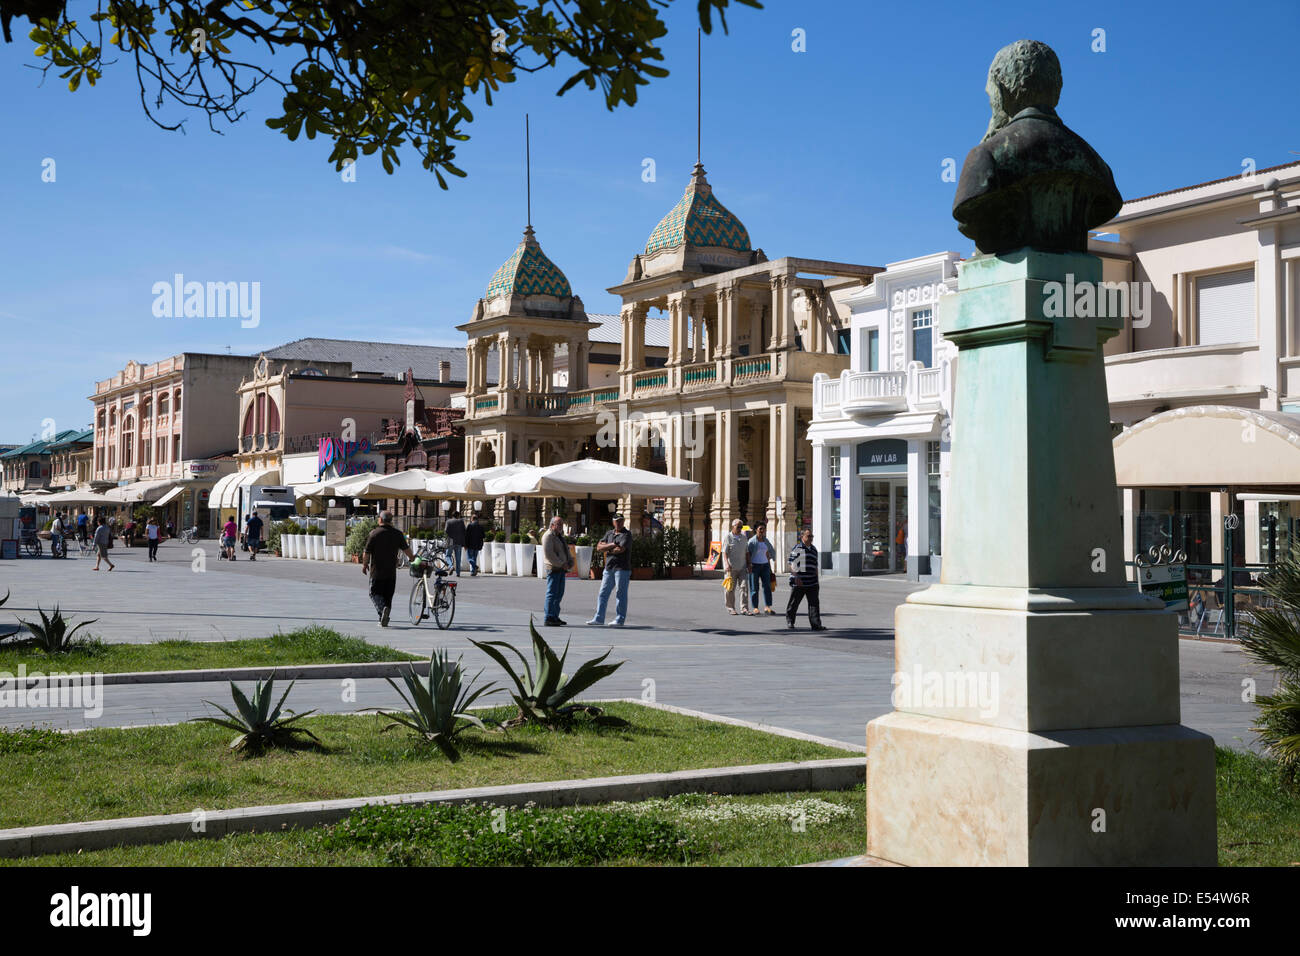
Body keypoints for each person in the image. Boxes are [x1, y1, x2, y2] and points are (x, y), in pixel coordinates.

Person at [362, 510, 414, 627]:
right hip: (391, 572)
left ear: (380, 519)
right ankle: (383, 618)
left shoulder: (374, 533)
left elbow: (367, 552)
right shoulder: (398, 534)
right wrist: (411, 558)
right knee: (388, 595)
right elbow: (407, 549)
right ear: (390, 521)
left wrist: (365, 565)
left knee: (374, 593)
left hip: (377, 571)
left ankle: (382, 611)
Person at [587, 513, 631, 627]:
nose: (619, 523)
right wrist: (612, 545)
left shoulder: (627, 534)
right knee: (603, 593)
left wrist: (607, 549)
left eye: (621, 520)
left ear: (623, 521)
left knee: (620, 594)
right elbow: (598, 547)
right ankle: (599, 618)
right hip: (609, 568)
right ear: (613, 522)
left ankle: (619, 620)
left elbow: (620, 549)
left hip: (622, 569)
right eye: (617, 521)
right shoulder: (609, 533)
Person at [787, 528, 826, 631]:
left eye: (812, 536)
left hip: (812, 582)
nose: (811, 538)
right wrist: (796, 577)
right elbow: (792, 564)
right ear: (802, 537)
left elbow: (815, 566)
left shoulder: (813, 549)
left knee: (814, 604)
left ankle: (816, 624)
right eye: (808, 536)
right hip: (800, 582)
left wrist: (817, 580)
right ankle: (790, 621)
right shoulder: (798, 548)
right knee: (794, 603)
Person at [541, 515, 573, 626]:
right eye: (558, 524)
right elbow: (549, 554)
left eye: (561, 524)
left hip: (561, 569)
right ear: (552, 524)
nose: (561, 526)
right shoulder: (548, 536)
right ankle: (549, 617)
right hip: (554, 568)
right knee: (552, 593)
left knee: (559, 593)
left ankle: (555, 616)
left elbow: (565, 550)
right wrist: (561, 564)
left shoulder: (559, 536)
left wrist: (570, 560)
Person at [722, 518, 751, 616]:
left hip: (742, 567)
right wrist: (726, 564)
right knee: (730, 589)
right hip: (731, 568)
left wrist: (749, 564)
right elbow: (724, 553)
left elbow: (747, 552)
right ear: (733, 526)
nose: (739, 529)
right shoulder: (728, 537)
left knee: (744, 587)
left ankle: (744, 608)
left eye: (741, 527)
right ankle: (730, 608)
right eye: (738, 527)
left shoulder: (744, 538)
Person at [748, 522, 777, 615]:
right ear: (756, 530)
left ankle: (767, 606)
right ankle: (755, 607)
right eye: (760, 529)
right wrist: (749, 565)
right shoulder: (752, 541)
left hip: (765, 566)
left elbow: (768, 553)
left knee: (767, 586)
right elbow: (748, 554)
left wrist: (770, 567)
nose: (762, 531)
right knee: (754, 587)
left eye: (763, 529)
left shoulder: (766, 540)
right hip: (754, 566)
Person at [445, 510, 466, 576]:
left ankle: (451, 566)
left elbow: (446, 530)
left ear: (452, 515)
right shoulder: (461, 521)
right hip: (459, 541)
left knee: (448, 555)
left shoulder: (448, 521)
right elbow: (464, 531)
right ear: (458, 515)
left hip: (451, 541)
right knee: (458, 558)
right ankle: (458, 573)